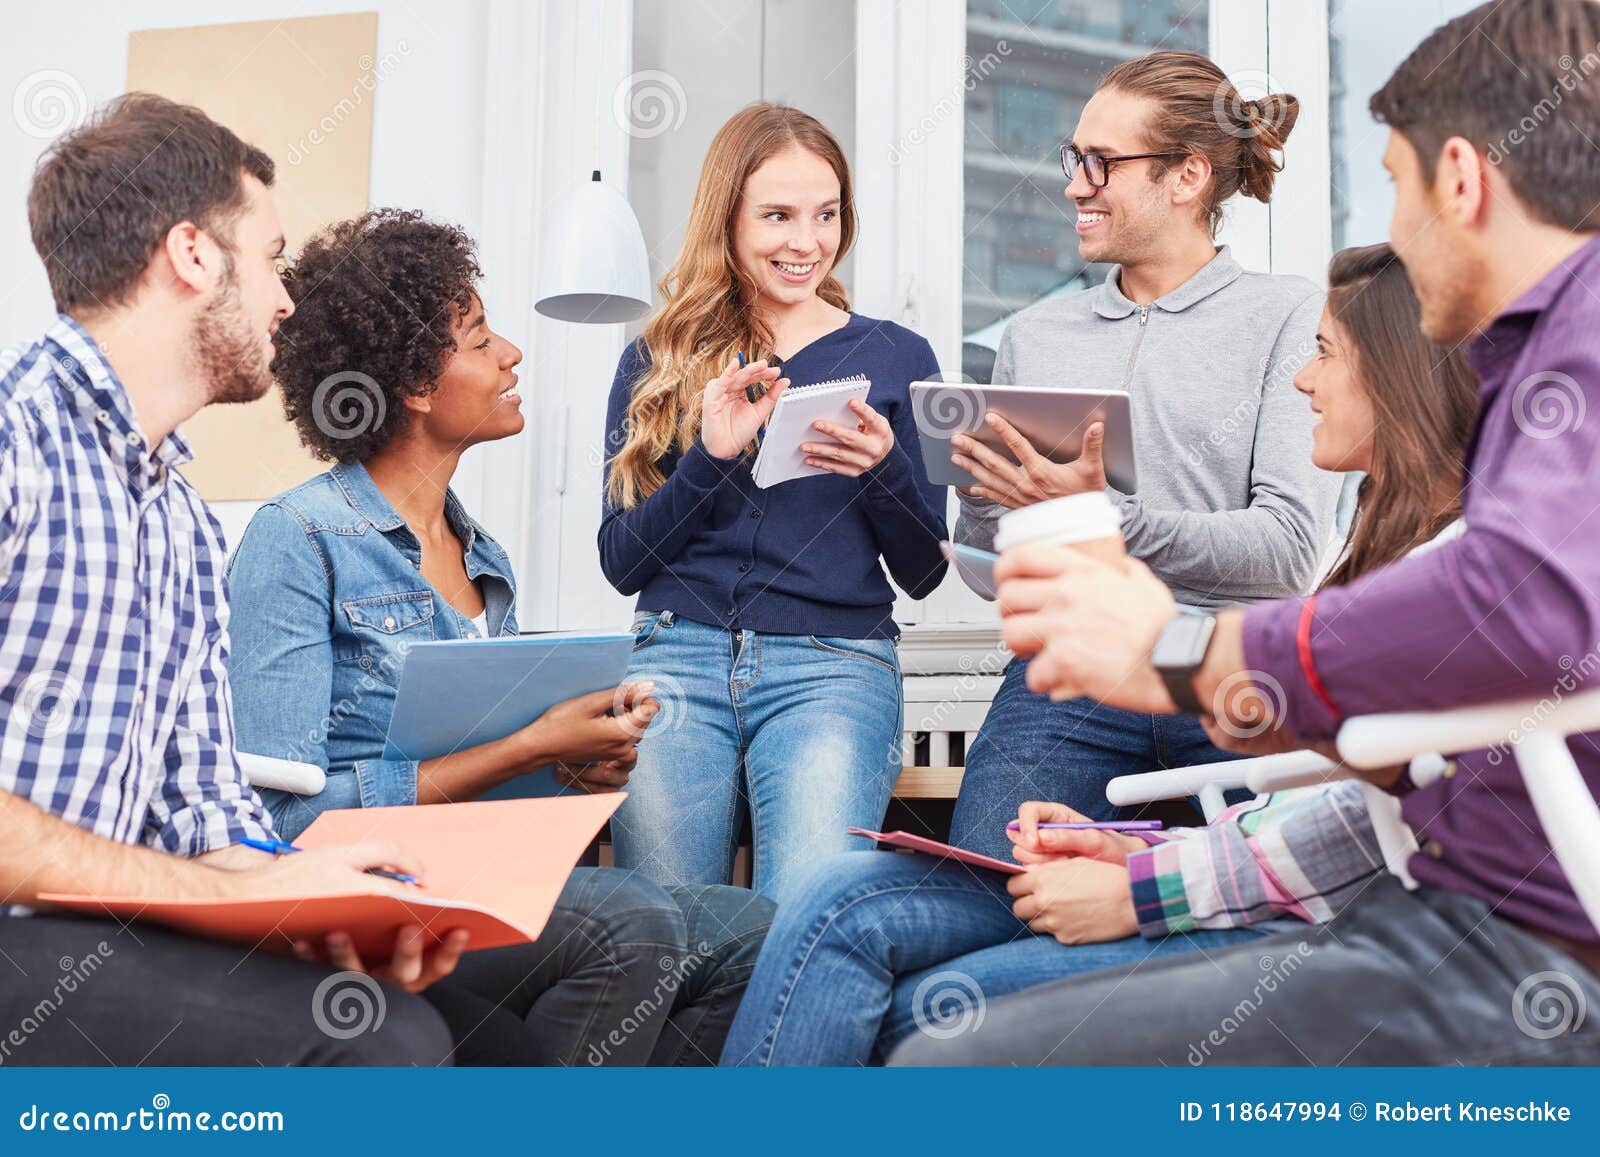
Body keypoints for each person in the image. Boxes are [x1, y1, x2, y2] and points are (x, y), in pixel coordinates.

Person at [893, 0, 1600, 1067]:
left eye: (1396, 193)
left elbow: (1519, 604)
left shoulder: (1572, 354)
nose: (1396, 242)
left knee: (955, 1055)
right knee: (956, 1019)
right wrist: (1144, 850)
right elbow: (1414, 743)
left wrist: (1178, 653)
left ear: (1460, 179)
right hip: (1447, 906)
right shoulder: (1530, 370)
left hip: (1511, 949)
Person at [721, 243, 1477, 1066]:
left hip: (1288, 929)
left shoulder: (1451, 582)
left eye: (1325, 354)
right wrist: (1132, 847)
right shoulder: (1383, 569)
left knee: (918, 1017)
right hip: (1233, 872)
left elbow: (1354, 835)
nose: (1303, 381)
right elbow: (1315, 814)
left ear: (1400, 377)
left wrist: (1139, 888)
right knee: (830, 896)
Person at [226, 209, 775, 1066]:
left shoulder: (485, 557)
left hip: (482, 875)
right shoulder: (295, 541)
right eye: (480, 338)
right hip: (370, 896)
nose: (512, 353)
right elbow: (280, 822)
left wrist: (571, 762)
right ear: (413, 384)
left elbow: (493, 773)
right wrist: (524, 745)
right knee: (632, 920)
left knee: (755, 932)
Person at [0, 93, 458, 1065]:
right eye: (273, 257)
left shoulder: (183, 523)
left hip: (102, 933)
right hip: (20, 933)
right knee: (384, 1046)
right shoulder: (12, 454)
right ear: (193, 256)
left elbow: (204, 811)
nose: (285, 298)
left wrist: (315, 886)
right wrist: (231, 896)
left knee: (433, 1003)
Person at [949, 52, 1342, 860]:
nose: (1074, 185)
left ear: (1187, 176)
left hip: (1223, 668)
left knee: (1246, 924)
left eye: (1102, 163)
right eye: (1074, 158)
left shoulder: (1287, 315)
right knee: (987, 879)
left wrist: (1103, 518)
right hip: (1072, 676)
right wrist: (992, 499)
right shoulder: (1034, 335)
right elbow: (986, 553)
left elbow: (1287, 551)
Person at [597, 103, 948, 900]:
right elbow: (623, 561)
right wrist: (712, 459)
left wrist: (882, 469)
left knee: (801, 919)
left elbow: (926, 570)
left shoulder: (899, 356)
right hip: (675, 659)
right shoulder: (658, 358)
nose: (806, 242)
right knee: (666, 924)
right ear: (727, 219)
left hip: (833, 667)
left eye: (826, 215)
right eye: (778, 216)